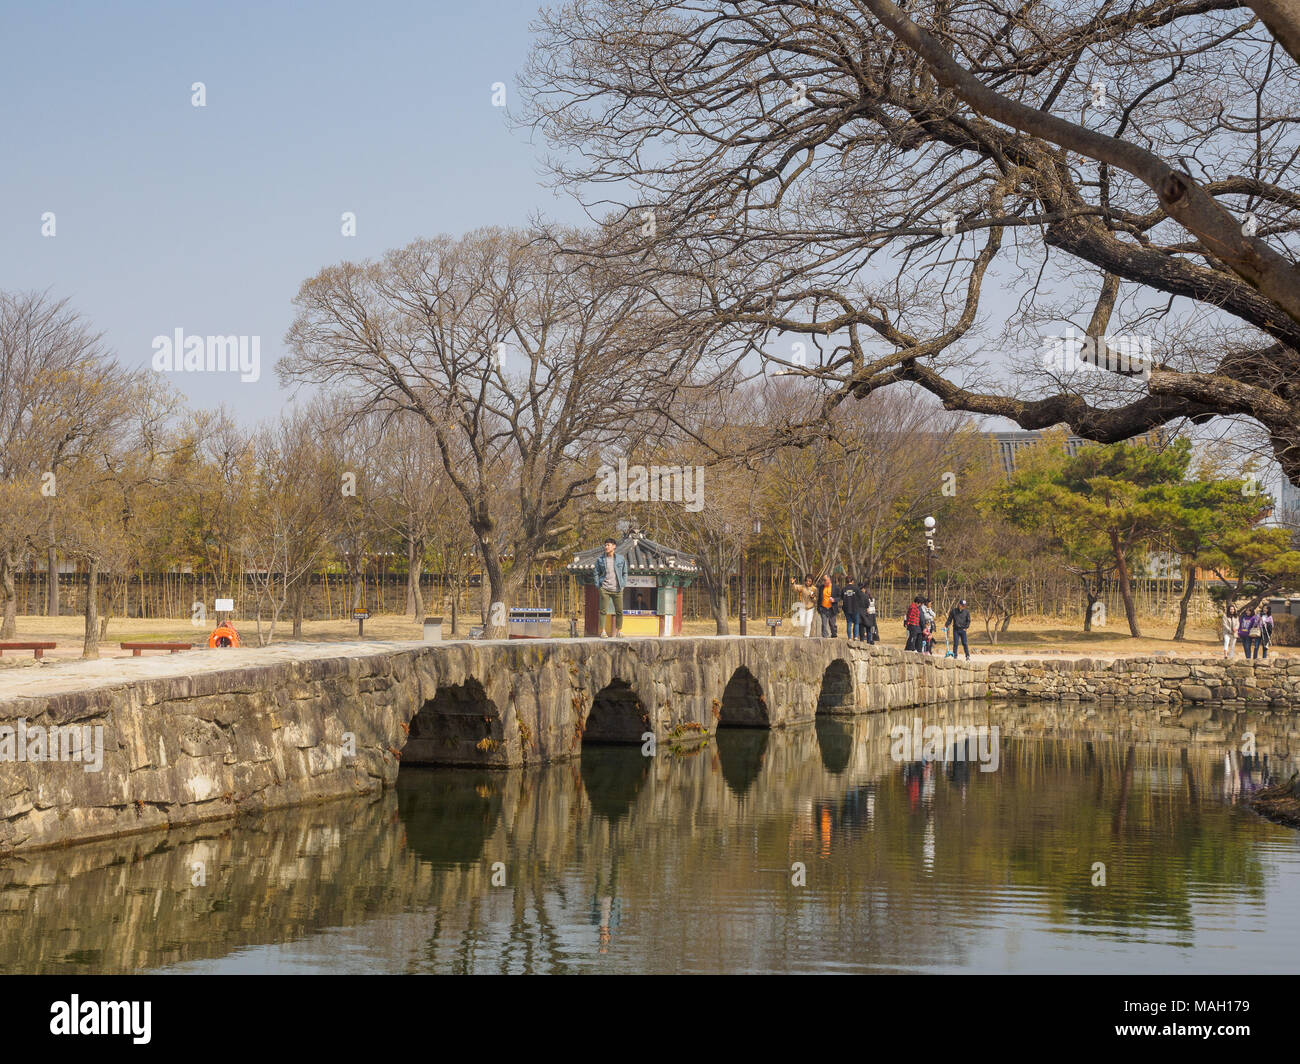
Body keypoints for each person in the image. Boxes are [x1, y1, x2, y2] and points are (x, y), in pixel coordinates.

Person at [593, 537, 626, 638]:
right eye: (605, 545)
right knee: (603, 611)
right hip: (605, 589)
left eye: (608, 545)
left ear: (614, 546)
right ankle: (603, 631)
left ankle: (619, 631)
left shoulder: (621, 559)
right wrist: (598, 586)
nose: (606, 547)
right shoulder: (600, 560)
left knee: (619, 611)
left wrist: (623, 584)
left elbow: (625, 572)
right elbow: (596, 573)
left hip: (618, 589)